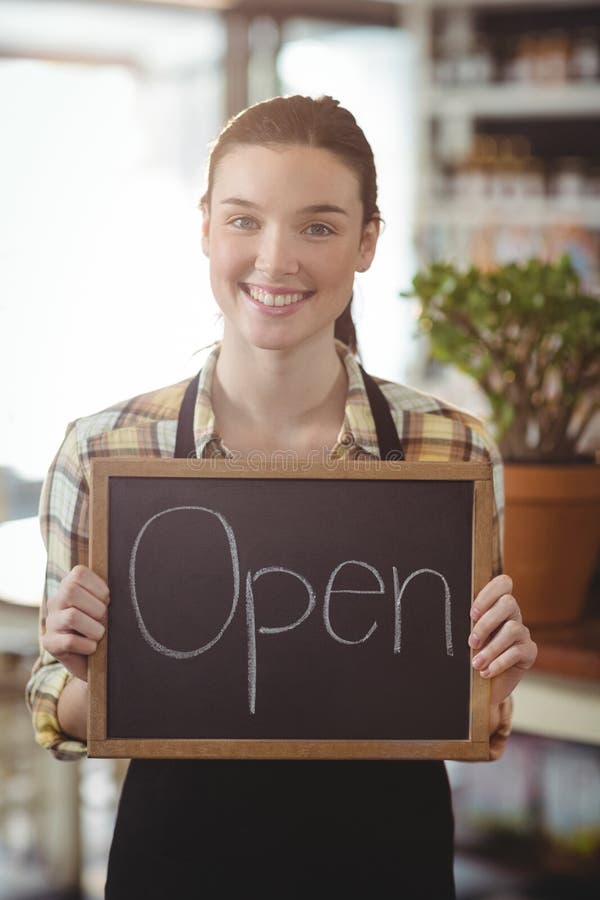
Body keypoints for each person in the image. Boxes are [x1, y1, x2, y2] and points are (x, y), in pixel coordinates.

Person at [27, 95, 537, 899]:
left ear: (368, 241)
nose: (275, 259)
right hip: (179, 864)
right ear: (204, 228)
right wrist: (83, 665)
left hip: (387, 864)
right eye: (243, 220)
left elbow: (472, 711)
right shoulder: (102, 450)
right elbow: (71, 716)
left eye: (319, 226)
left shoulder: (452, 447)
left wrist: (494, 674)